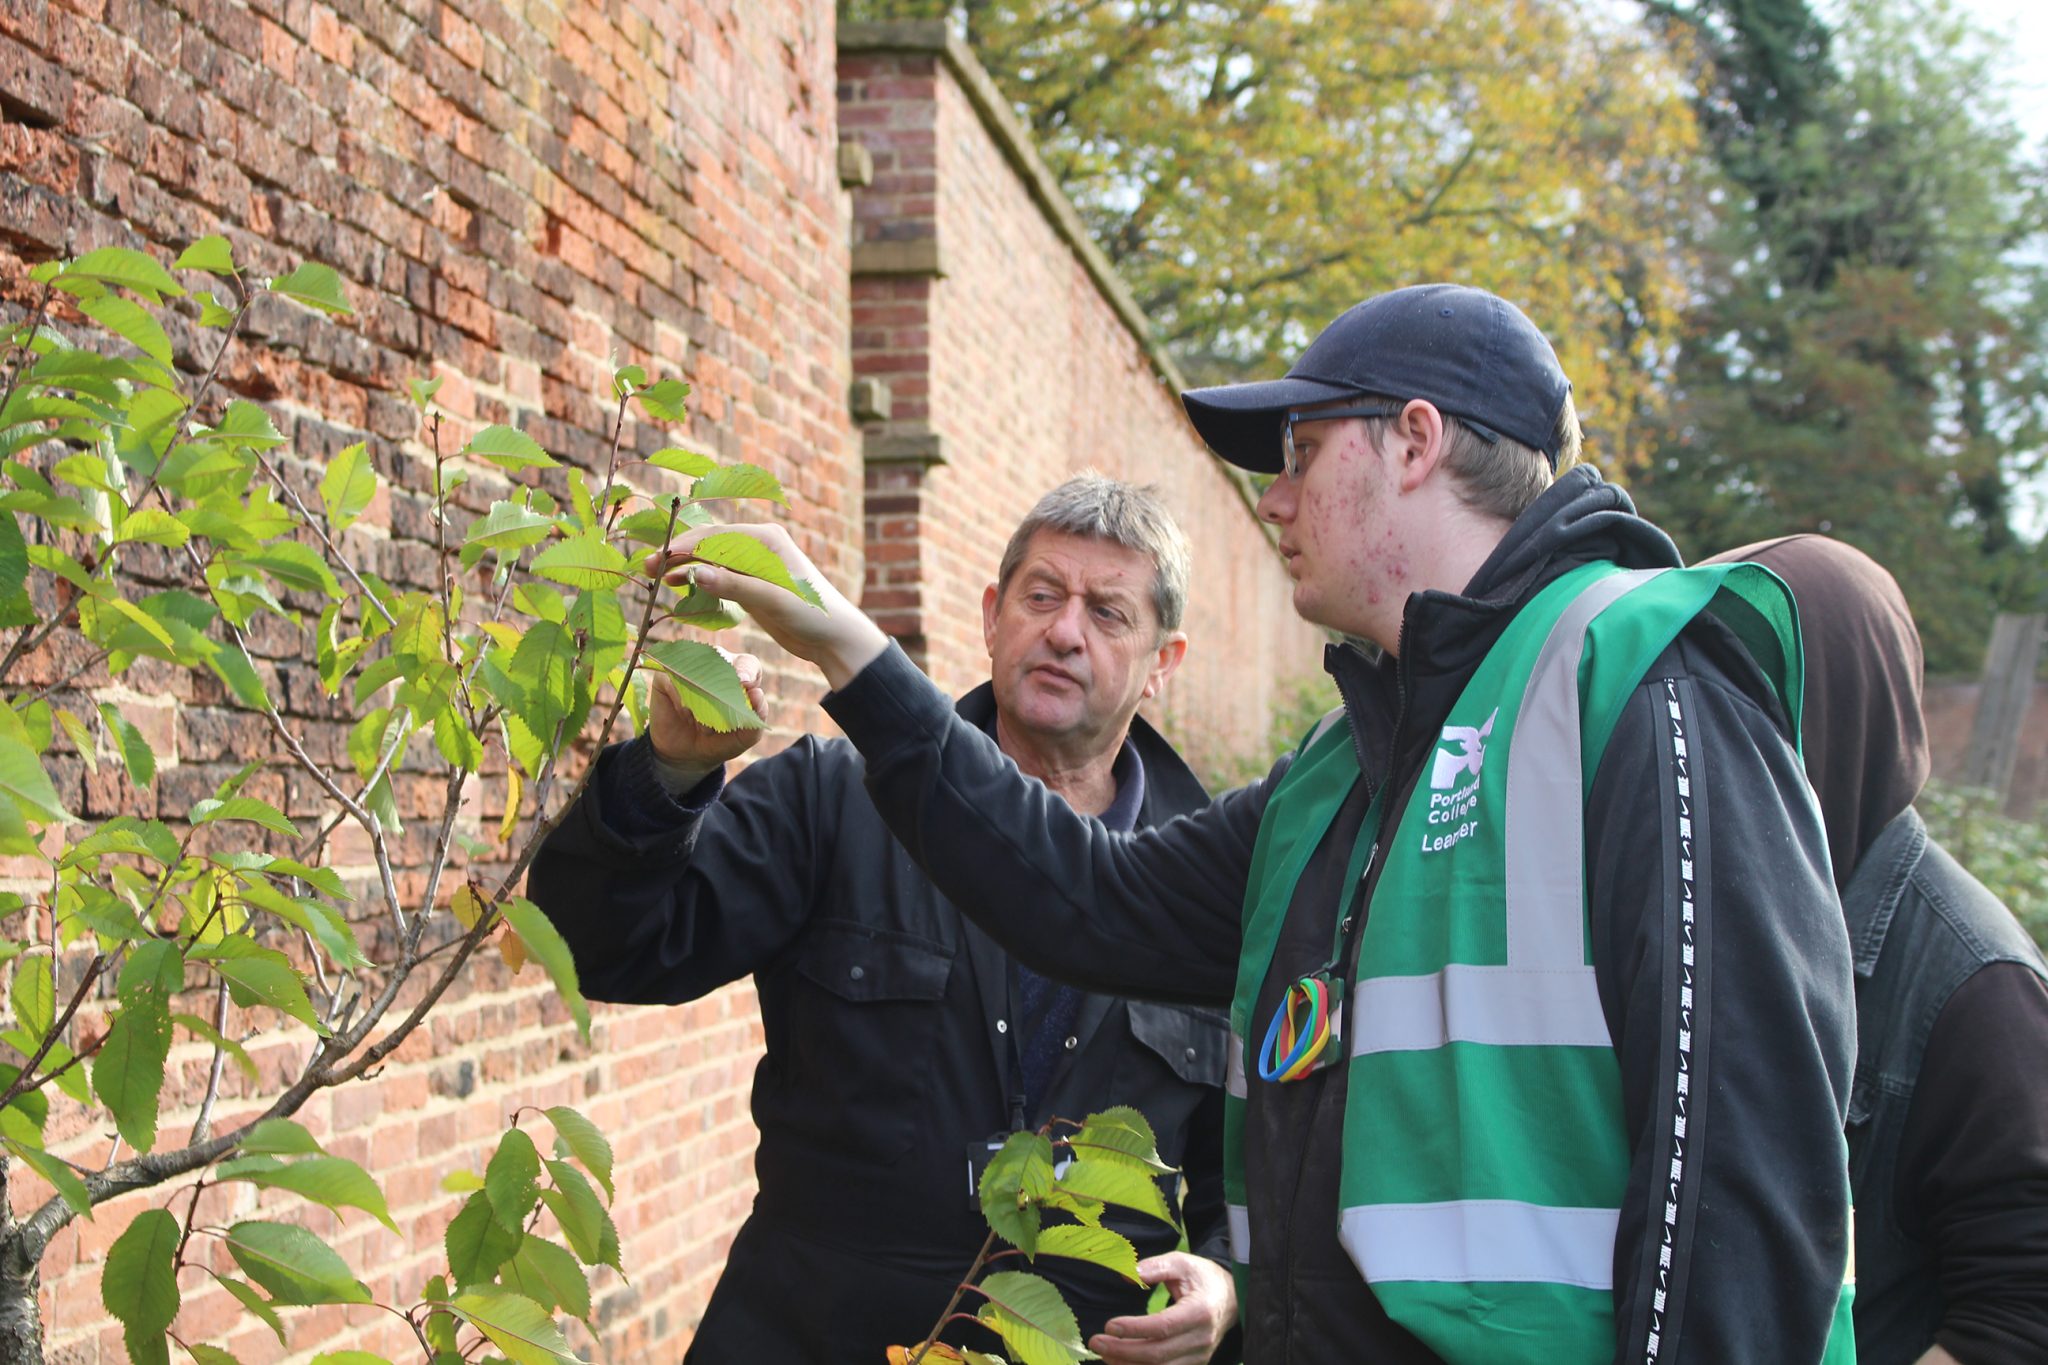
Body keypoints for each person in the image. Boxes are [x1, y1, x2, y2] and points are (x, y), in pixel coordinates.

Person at [659, 284, 1860, 1363]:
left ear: (1413, 440)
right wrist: (852, 653)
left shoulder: (1641, 684)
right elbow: (1080, 896)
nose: (1273, 498)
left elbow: (1742, 1184)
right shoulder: (1342, 772)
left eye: (1299, 452)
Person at [528, 475, 1239, 1364]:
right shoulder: (836, 798)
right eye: (1043, 596)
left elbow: (1242, 1180)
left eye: (1108, 613)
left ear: (1163, 663)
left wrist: (1225, 1279)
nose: (1064, 630)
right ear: (991, 614)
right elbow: (603, 949)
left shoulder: (1211, 884)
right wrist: (666, 778)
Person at [1704, 535, 2048, 1365]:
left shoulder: (1978, 986)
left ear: (1841, 716)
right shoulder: (1717, 914)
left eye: (1735, 707)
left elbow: (2022, 1309)